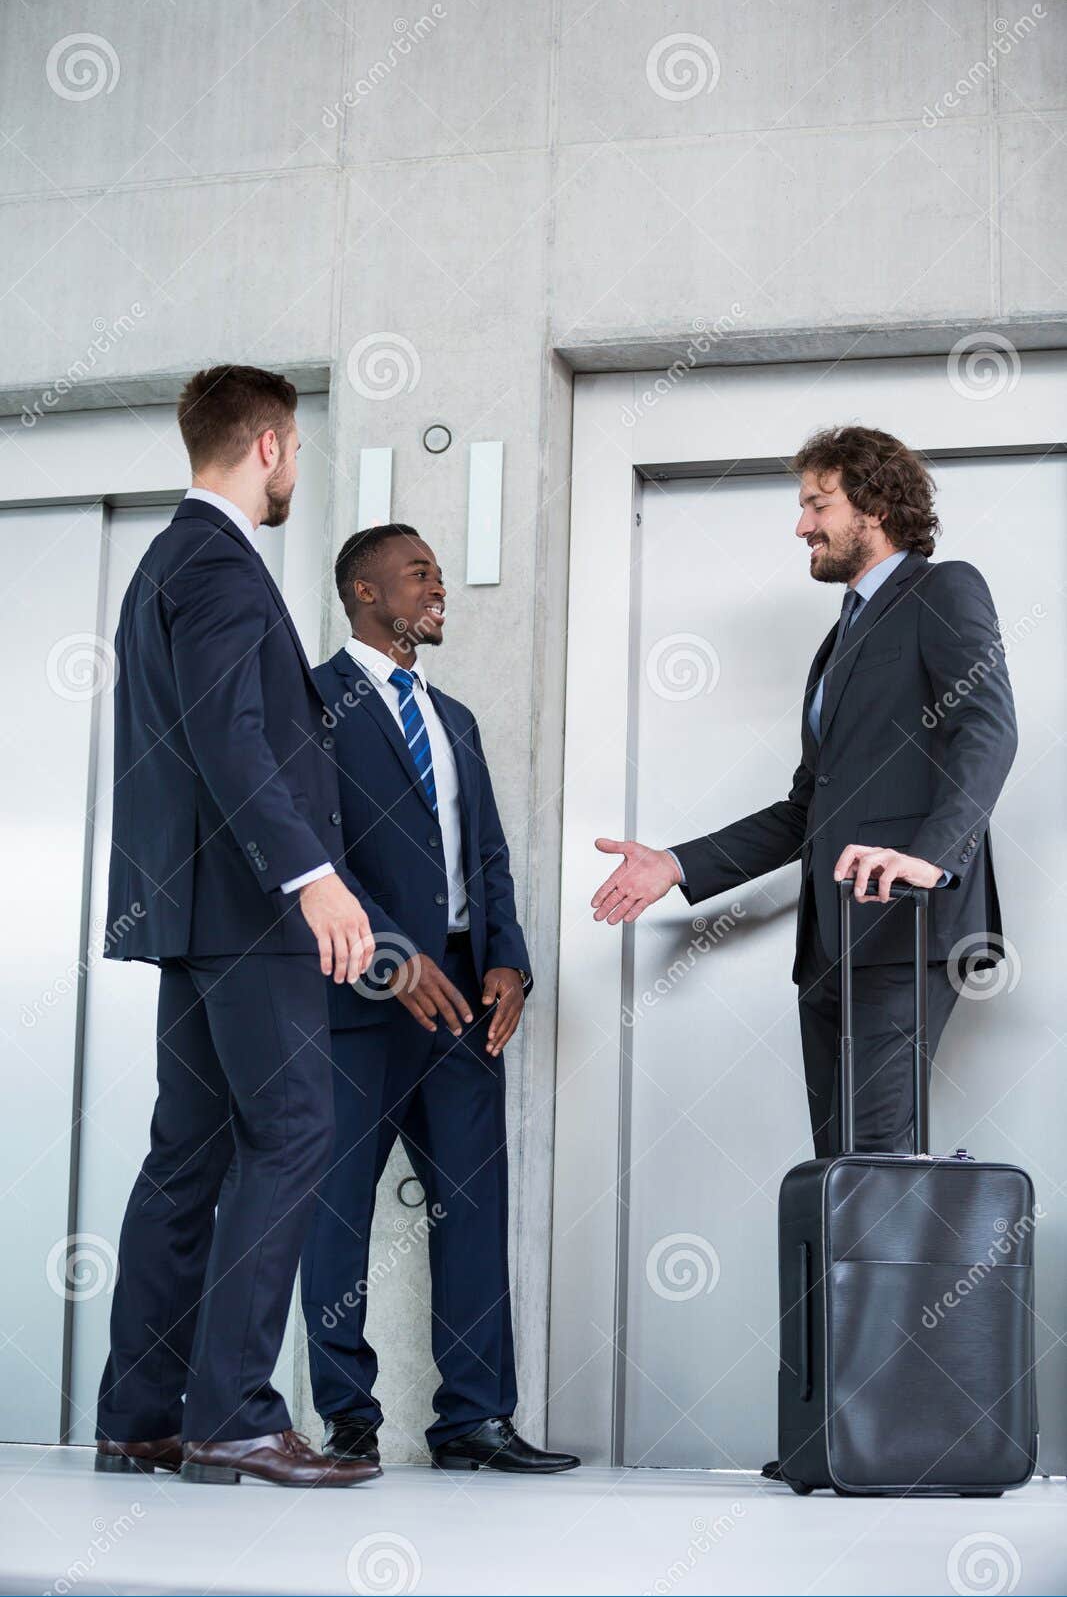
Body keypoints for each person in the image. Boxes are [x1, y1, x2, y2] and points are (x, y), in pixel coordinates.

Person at [95, 365, 380, 1489]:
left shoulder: (164, 563)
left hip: (194, 913)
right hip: (252, 912)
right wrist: (311, 874)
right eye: (299, 450)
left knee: (189, 1154)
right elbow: (230, 736)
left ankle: (142, 1414)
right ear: (269, 445)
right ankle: (233, 1415)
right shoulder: (219, 563)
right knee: (295, 1129)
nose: (297, 469)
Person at [591, 424, 1018, 1162]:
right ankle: (834, 1286)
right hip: (828, 941)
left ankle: (904, 1281)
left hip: (905, 924)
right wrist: (676, 864)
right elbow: (806, 809)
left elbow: (988, 729)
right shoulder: (838, 639)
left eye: (817, 504)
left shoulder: (943, 588)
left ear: (875, 505)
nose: (801, 525)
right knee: (838, 1160)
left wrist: (929, 858)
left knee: (875, 1154)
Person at [301, 524, 579, 1474]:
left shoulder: (452, 715)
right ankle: (348, 1417)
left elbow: (486, 853)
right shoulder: (312, 699)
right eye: (420, 574)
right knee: (334, 1210)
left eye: (439, 575)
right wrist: (389, 953)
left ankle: (473, 1420)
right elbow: (309, 852)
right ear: (365, 592)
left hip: (463, 996)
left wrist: (507, 961)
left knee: (473, 1201)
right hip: (360, 995)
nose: (438, 588)